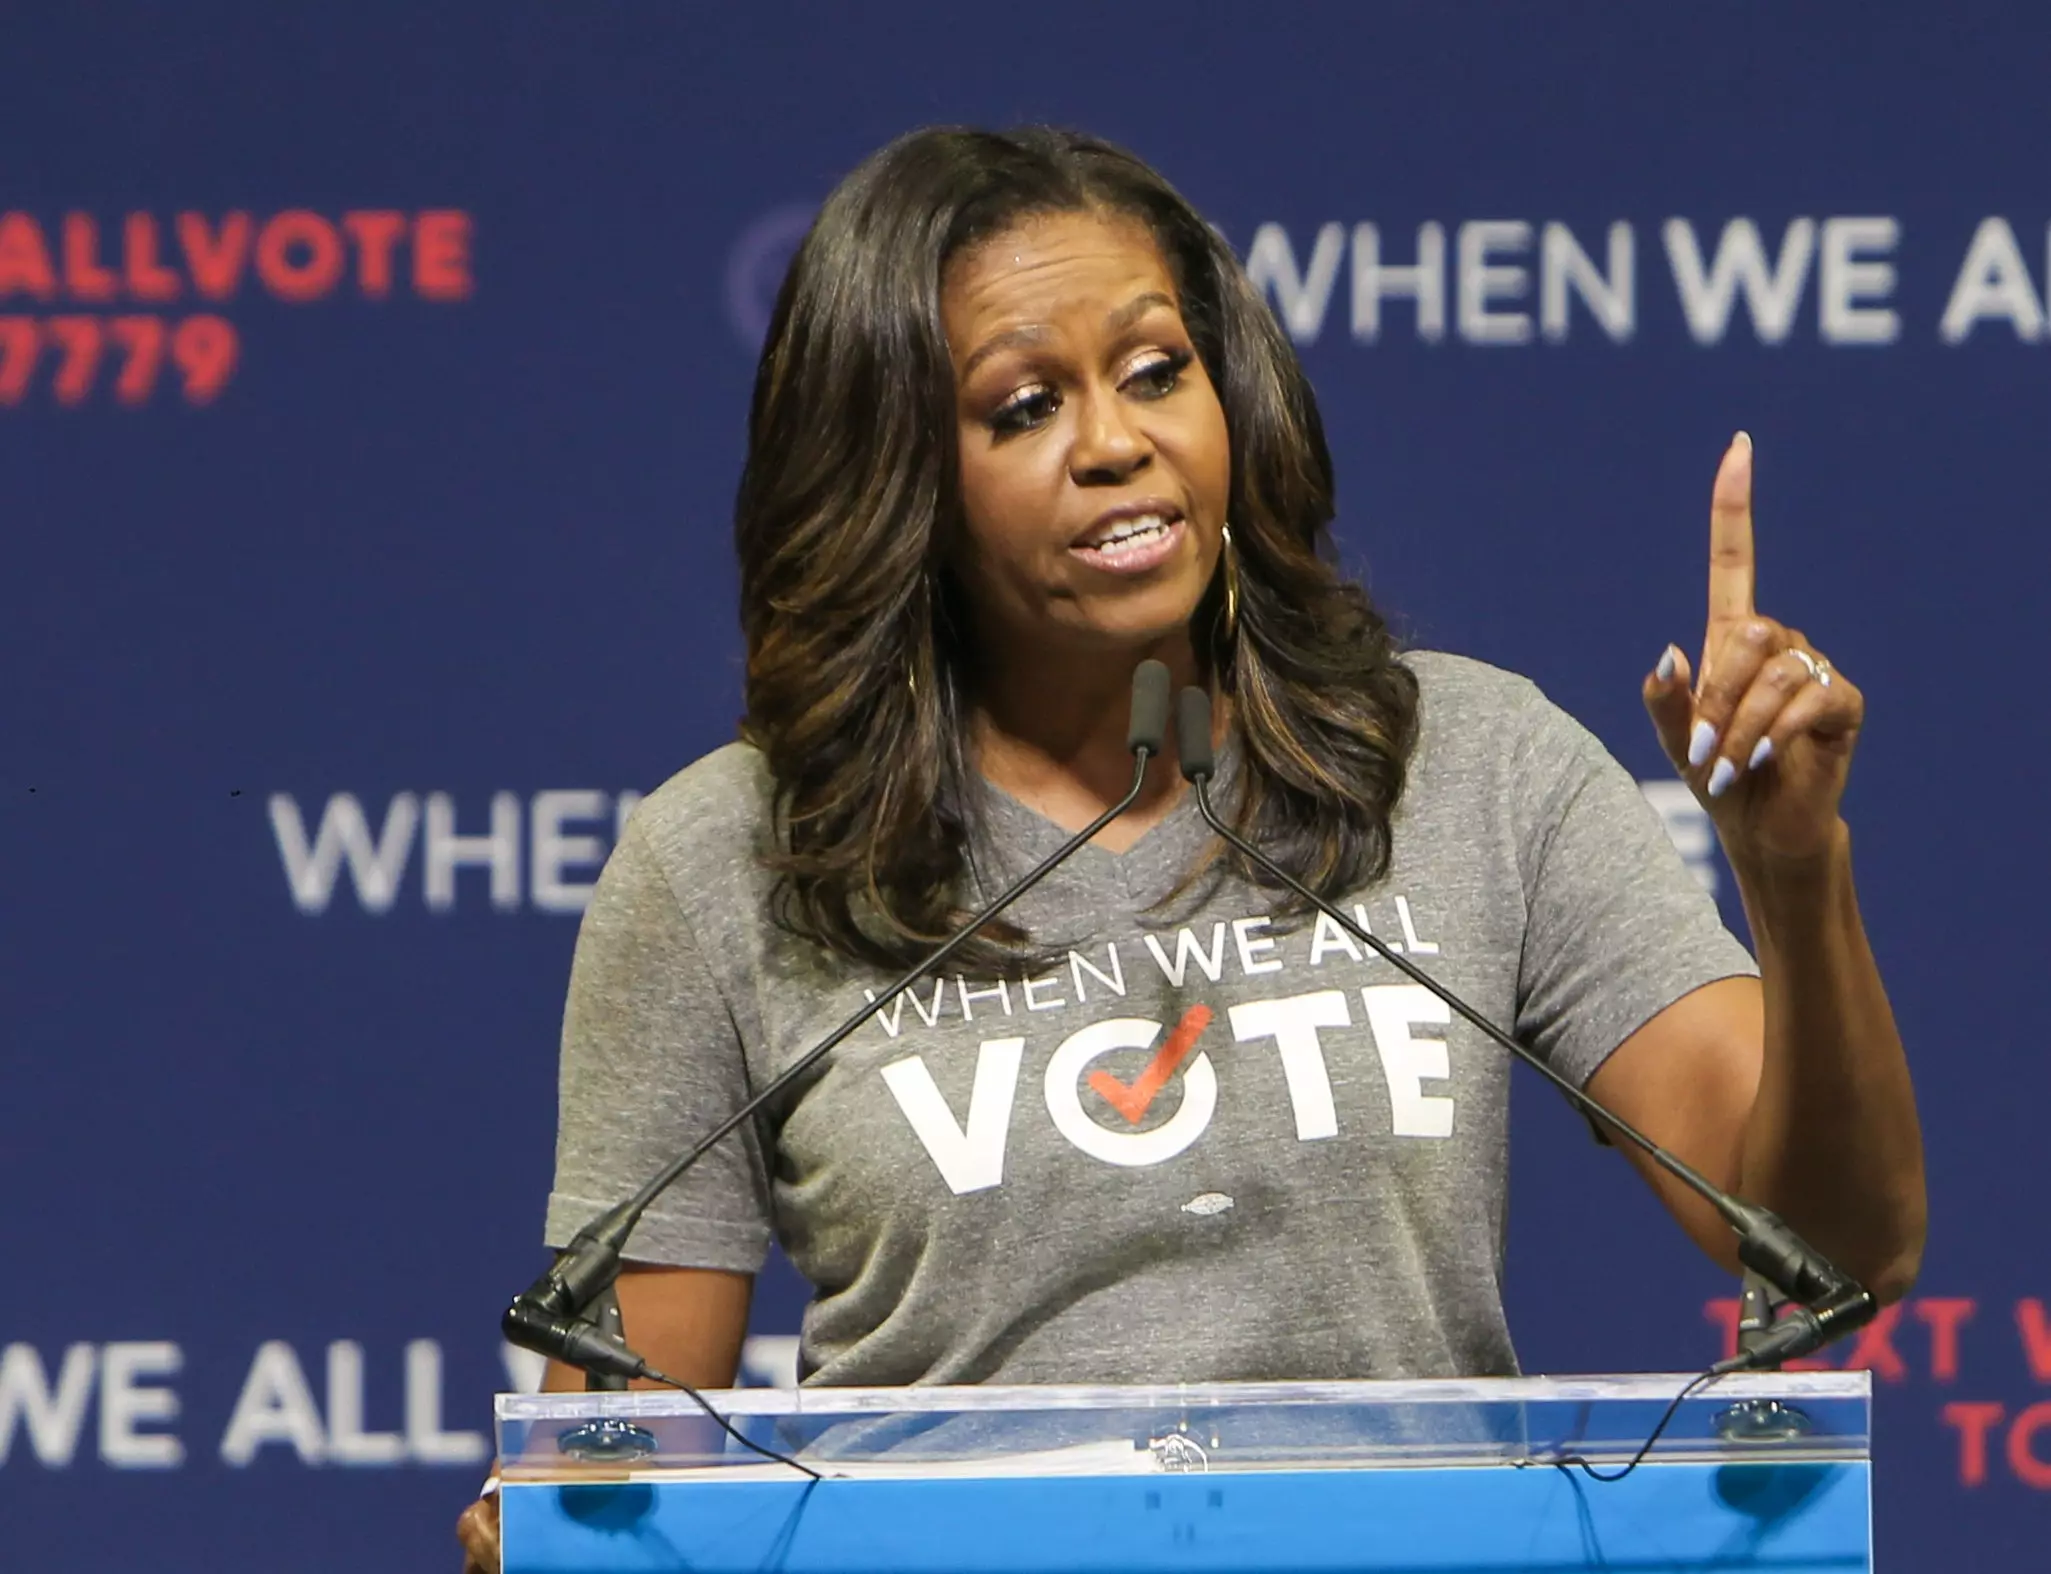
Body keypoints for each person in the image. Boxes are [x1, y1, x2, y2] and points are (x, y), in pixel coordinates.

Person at [456, 125, 1924, 1568]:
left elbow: (1834, 1252)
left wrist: (1794, 871)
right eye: (1023, 405)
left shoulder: (1466, 763)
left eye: (1157, 371)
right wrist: (547, 1526)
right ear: (899, 474)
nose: (1116, 442)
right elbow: (626, 1463)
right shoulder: (729, 858)